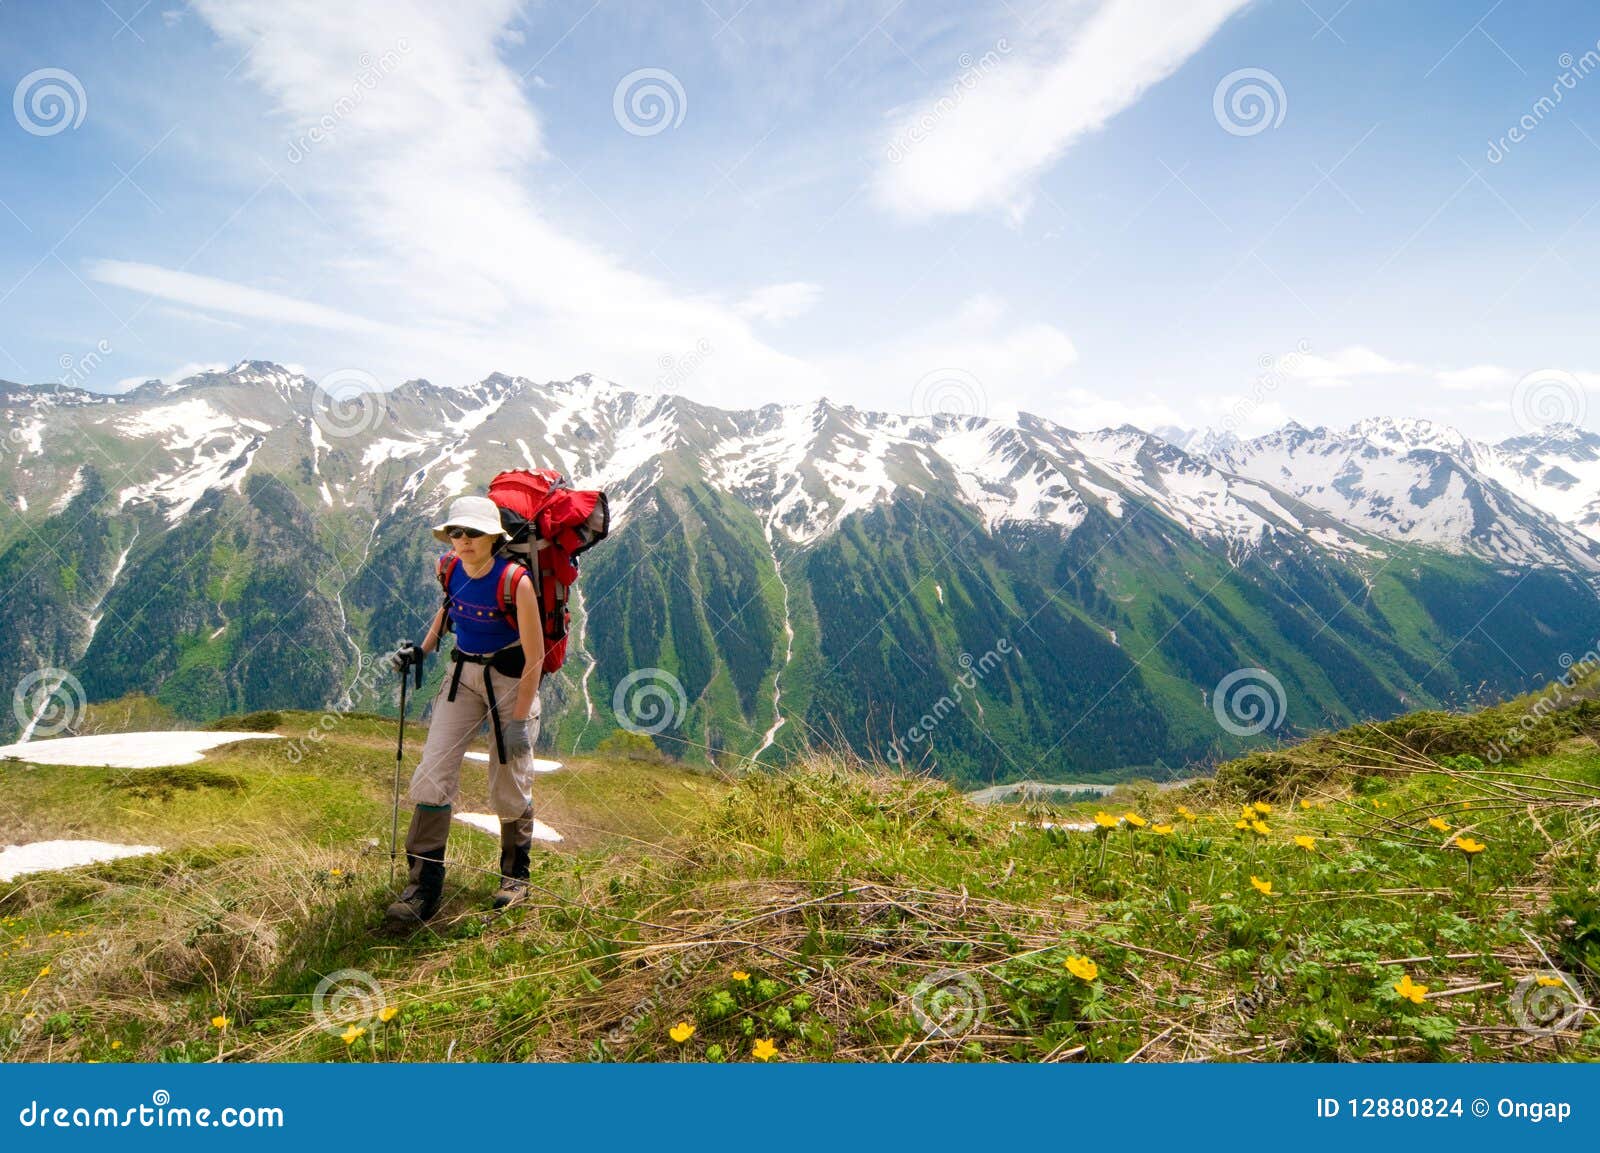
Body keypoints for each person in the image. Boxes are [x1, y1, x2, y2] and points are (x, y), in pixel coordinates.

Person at [385, 494, 545, 924]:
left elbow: (536, 657)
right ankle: (421, 888)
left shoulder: (516, 582)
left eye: (474, 532)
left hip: (510, 684)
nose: (464, 539)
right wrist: (422, 650)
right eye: (456, 531)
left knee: (508, 782)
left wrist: (517, 721)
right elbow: (449, 612)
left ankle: (515, 878)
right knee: (432, 773)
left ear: (493, 537)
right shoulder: (451, 568)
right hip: (461, 677)